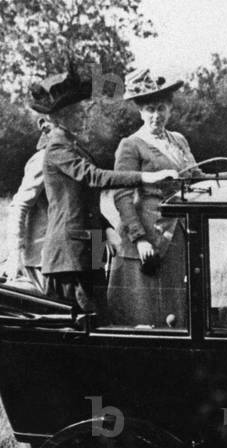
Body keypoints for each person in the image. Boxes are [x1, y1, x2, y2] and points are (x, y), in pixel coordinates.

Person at [106, 69, 227, 327]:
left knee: (173, 311)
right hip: (145, 238)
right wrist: (139, 238)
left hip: (176, 234)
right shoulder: (131, 144)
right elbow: (121, 195)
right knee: (143, 311)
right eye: (150, 109)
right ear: (140, 112)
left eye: (161, 108)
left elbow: (197, 178)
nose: (156, 115)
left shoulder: (178, 140)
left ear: (170, 109)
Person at [28, 68, 150, 315]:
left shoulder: (75, 146)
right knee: (82, 326)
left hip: (90, 248)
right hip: (69, 257)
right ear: (61, 116)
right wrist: (145, 177)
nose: (85, 114)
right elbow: (94, 177)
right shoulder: (57, 147)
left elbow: (85, 201)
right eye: (78, 110)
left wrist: (107, 230)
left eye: (84, 108)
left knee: (101, 318)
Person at [0, 117, 51, 290]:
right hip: (43, 259)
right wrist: (14, 254)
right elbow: (19, 206)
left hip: (74, 258)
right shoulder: (44, 160)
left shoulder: (80, 159)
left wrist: (108, 232)